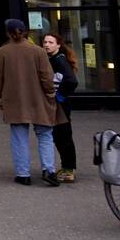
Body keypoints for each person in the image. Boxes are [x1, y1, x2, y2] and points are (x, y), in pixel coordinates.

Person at [0, 19, 62, 186]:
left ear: (8, 33)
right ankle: (49, 170)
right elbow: (47, 76)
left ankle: (23, 174)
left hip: (15, 100)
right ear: (26, 32)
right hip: (39, 99)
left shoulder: (2, 52)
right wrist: (50, 93)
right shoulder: (38, 51)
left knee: (19, 137)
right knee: (45, 135)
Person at [43, 33, 79, 183]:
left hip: (61, 105)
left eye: (51, 42)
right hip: (57, 104)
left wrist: (60, 96)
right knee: (59, 136)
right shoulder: (52, 59)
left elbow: (71, 81)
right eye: (45, 42)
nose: (47, 45)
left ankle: (69, 169)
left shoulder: (60, 60)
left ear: (58, 45)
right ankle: (66, 167)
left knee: (63, 136)